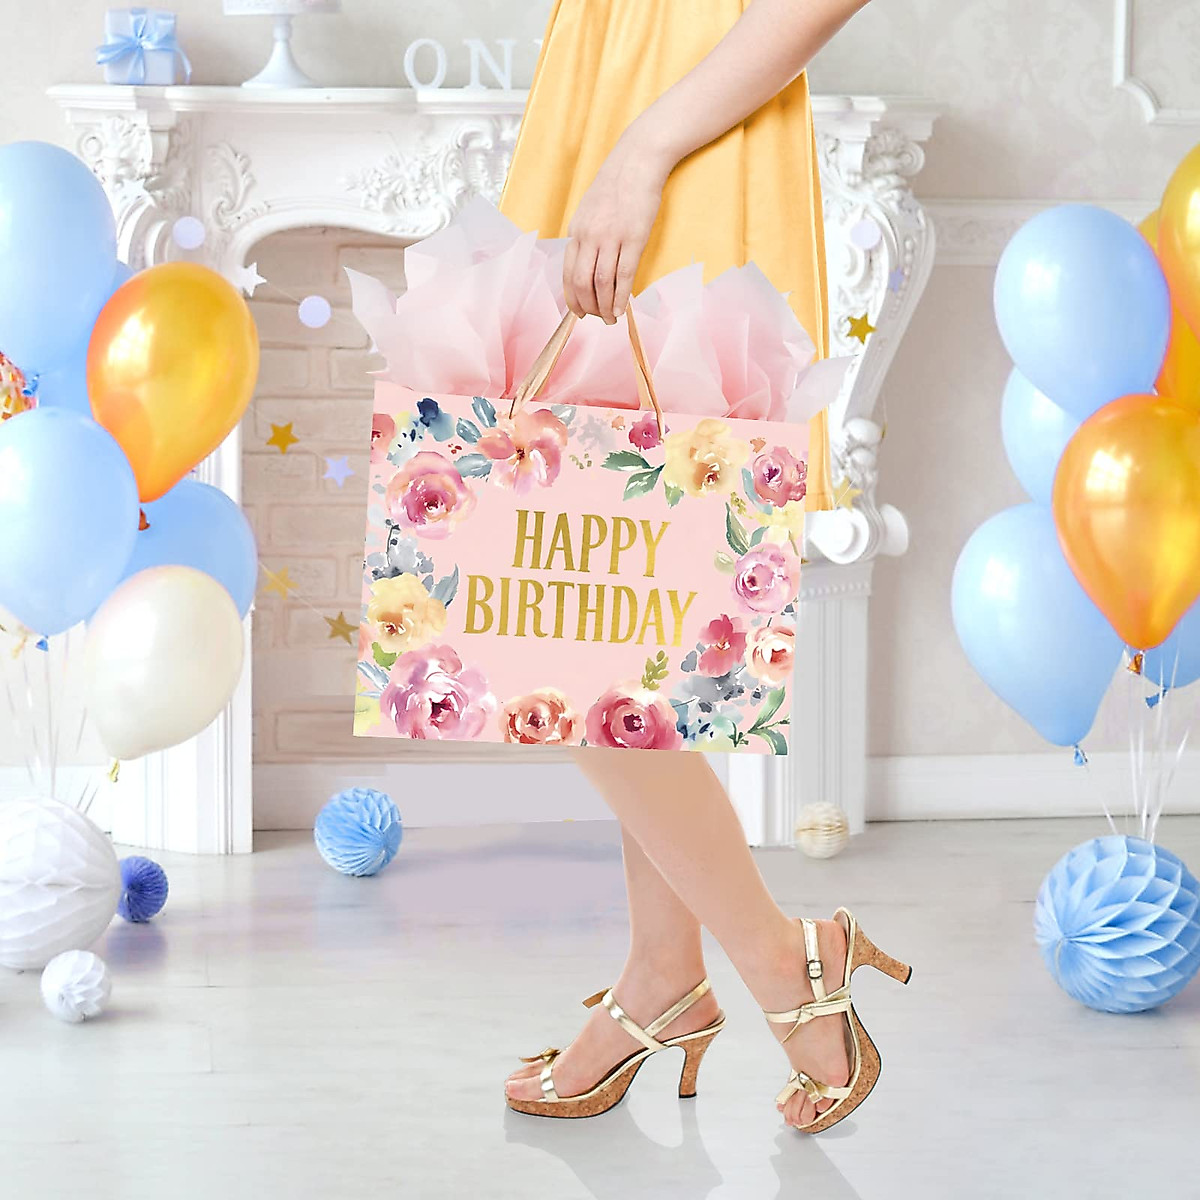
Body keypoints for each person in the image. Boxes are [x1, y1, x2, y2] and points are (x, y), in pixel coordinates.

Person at [497, 0, 910, 1135]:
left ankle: (779, 961)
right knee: (614, 631)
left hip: (685, 145)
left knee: (573, 628)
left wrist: (643, 149)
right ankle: (661, 973)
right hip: (603, 117)